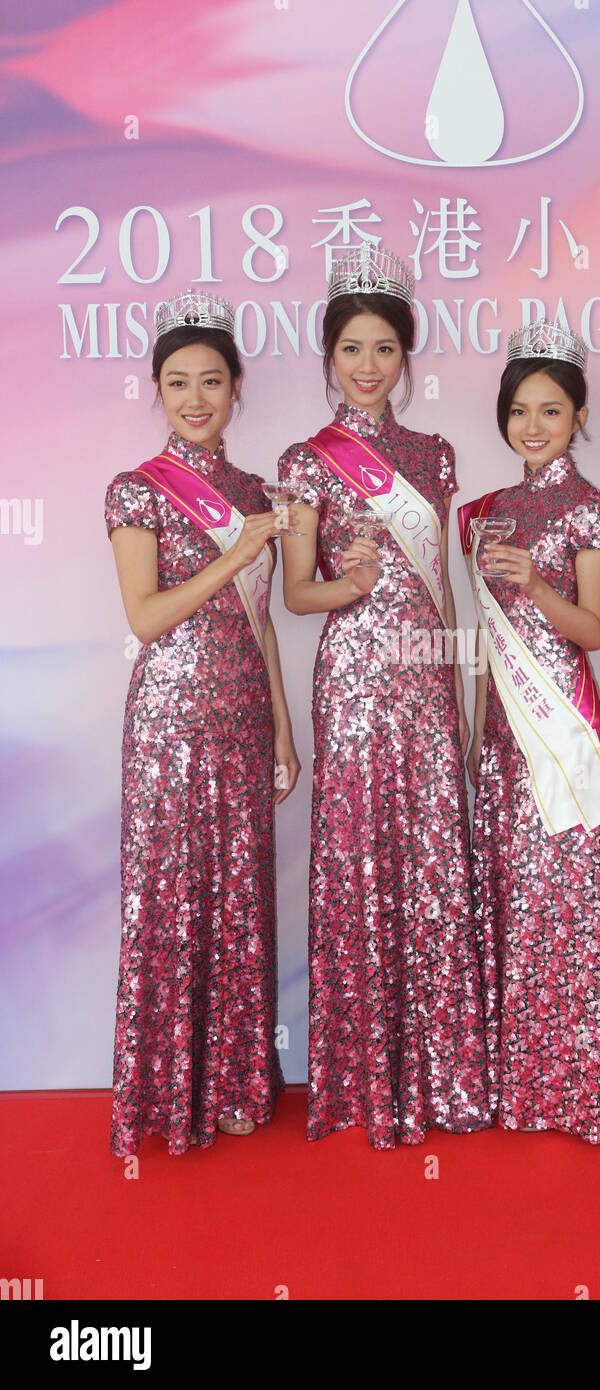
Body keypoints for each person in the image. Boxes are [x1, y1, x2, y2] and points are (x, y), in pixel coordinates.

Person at [277, 245, 491, 1149]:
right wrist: (348, 583)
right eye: (352, 349)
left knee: (431, 863)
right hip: (354, 684)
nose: (367, 366)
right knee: (359, 865)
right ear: (329, 354)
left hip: (424, 685)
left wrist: (461, 687)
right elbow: (296, 594)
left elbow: (444, 579)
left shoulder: (435, 457)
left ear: (407, 356)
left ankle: (439, 1076)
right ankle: (363, 1080)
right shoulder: (301, 460)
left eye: (385, 350)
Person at [105, 289, 299, 1156]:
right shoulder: (136, 493)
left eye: (211, 381)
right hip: (168, 725)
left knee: (239, 901)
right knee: (172, 903)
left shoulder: (257, 493)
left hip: (245, 720)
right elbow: (146, 617)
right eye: (178, 382)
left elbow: (265, 626)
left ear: (236, 388)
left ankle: (233, 1082)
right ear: (156, 389)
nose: (195, 398)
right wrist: (235, 553)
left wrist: (286, 733)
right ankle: (166, 1093)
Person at [462, 321, 600, 1142]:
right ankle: (516, 1080)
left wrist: (535, 583)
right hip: (502, 733)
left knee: (567, 902)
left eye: (551, 410)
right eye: (520, 410)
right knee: (510, 900)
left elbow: (592, 628)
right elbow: (486, 646)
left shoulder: (594, 511)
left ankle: (574, 1085)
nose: (533, 425)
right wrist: (476, 723)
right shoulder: (482, 515)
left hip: (560, 725)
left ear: (579, 414)